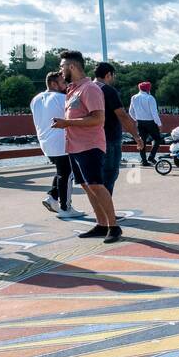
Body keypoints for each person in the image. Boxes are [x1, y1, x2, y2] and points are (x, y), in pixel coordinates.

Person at [52, 51, 120, 242]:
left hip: (90, 145)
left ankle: (113, 227)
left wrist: (67, 123)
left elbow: (98, 118)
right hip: (75, 146)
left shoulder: (90, 89)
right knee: (86, 186)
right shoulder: (72, 90)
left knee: (97, 185)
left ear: (72, 67)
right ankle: (101, 224)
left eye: (62, 66)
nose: (60, 70)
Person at [31, 71, 81, 218]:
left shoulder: (36, 99)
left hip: (46, 142)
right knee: (67, 174)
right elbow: (77, 112)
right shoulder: (62, 97)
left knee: (61, 172)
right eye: (63, 82)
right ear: (54, 84)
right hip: (61, 141)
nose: (66, 85)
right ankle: (66, 208)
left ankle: (52, 197)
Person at [94, 62, 139, 195]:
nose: (114, 78)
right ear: (108, 75)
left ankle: (100, 210)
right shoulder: (108, 90)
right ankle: (106, 212)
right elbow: (122, 115)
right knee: (110, 175)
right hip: (110, 137)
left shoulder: (87, 88)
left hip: (91, 139)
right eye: (113, 76)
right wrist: (136, 136)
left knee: (96, 176)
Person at [129, 81, 163, 165]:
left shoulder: (134, 97)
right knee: (158, 139)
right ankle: (151, 157)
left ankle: (144, 161)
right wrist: (159, 124)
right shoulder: (150, 98)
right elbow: (154, 113)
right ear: (148, 89)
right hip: (150, 122)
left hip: (140, 122)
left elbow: (130, 111)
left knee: (142, 141)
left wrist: (136, 119)